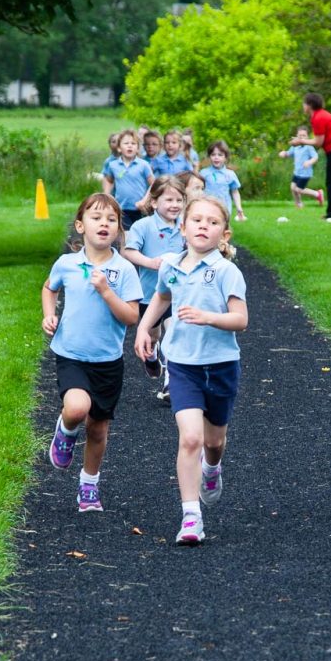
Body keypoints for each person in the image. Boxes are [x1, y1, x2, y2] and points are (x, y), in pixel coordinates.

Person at [134, 194, 248, 546]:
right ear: (182, 228)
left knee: (214, 442)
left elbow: (240, 320)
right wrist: (144, 327)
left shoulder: (227, 271)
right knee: (191, 438)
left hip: (221, 366)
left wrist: (208, 317)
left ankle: (212, 469)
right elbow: (163, 296)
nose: (203, 226)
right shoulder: (171, 265)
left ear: (224, 234)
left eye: (212, 222)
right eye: (196, 220)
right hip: (182, 365)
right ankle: (191, 516)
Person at [41, 193, 142, 512]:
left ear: (118, 230)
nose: (104, 224)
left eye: (111, 219)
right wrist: (49, 313)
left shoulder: (124, 270)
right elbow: (49, 287)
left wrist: (106, 291)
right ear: (81, 226)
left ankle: (89, 484)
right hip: (71, 352)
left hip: (107, 362)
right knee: (76, 407)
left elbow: (131, 316)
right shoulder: (67, 264)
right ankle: (66, 430)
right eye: (97, 218)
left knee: (98, 428)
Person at [122, 176, 186, 381]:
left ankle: (171, 381)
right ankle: (152, 355)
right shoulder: (143, 226)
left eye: (179, 200)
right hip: (149, 294)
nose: (174, 205)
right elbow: (129, 252)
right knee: (154, 334)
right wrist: (151, 262)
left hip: (178, 294)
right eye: (169, 200)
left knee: (174, 331)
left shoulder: (185, 227)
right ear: (154, 202)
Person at [294, 93, 331, 223]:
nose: (303, 106)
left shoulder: (318, 118)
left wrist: (301, 142)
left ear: (310, 105)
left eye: (304, 103)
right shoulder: (321, 115)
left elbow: (318, 142)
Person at [102, 127, 154, 231]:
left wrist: (145, 200)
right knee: (125, 235)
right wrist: (107, 196)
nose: (130, 146)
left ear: (138, 148)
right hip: (121, 208)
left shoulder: (143, 165)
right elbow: (108, 180)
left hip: (139, 208)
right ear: (119, 148)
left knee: (139, 234)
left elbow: (154, 184)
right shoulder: (113, 165)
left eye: (133, 143)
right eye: (126, 143)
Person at [198, 141, 244, 222]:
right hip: (207, 207)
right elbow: (198, 190)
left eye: (220, 155)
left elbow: (235, 192)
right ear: (209, 157)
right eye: (213, 155)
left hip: (224, 208)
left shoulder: (230, 174)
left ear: (225, 157)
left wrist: (239, 208)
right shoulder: (204, 173)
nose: (216, 157)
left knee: (222, 228)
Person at [279, 126, 323, 209]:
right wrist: (284, 153)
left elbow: (315, 157)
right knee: (293, 188)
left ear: (307, 137)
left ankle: (317, 194)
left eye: (304, 136)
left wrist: (309, 162)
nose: (302, 138)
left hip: (305, 173)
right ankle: (298, 204)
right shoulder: (295, 146)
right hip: (297, 172)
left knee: (298, 190)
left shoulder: (309, 147)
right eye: (300, 136)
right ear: (297, 136)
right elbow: (289, 153)